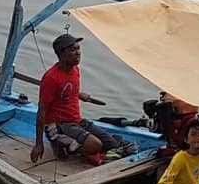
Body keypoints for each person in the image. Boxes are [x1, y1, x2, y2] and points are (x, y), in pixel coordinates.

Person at [30, 34, 130, 164]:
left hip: (76, 120)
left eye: (78, 48)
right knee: (95, 145)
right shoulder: (51, 78)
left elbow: (66, 89)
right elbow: (42, 110)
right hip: (58, 124)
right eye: (72, 50)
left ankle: (72, 145)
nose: (78, 53)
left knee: (111, 143)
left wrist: (78, 94)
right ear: (61, 54)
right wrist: (39, 144)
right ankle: (59, 143)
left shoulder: (75, 69)